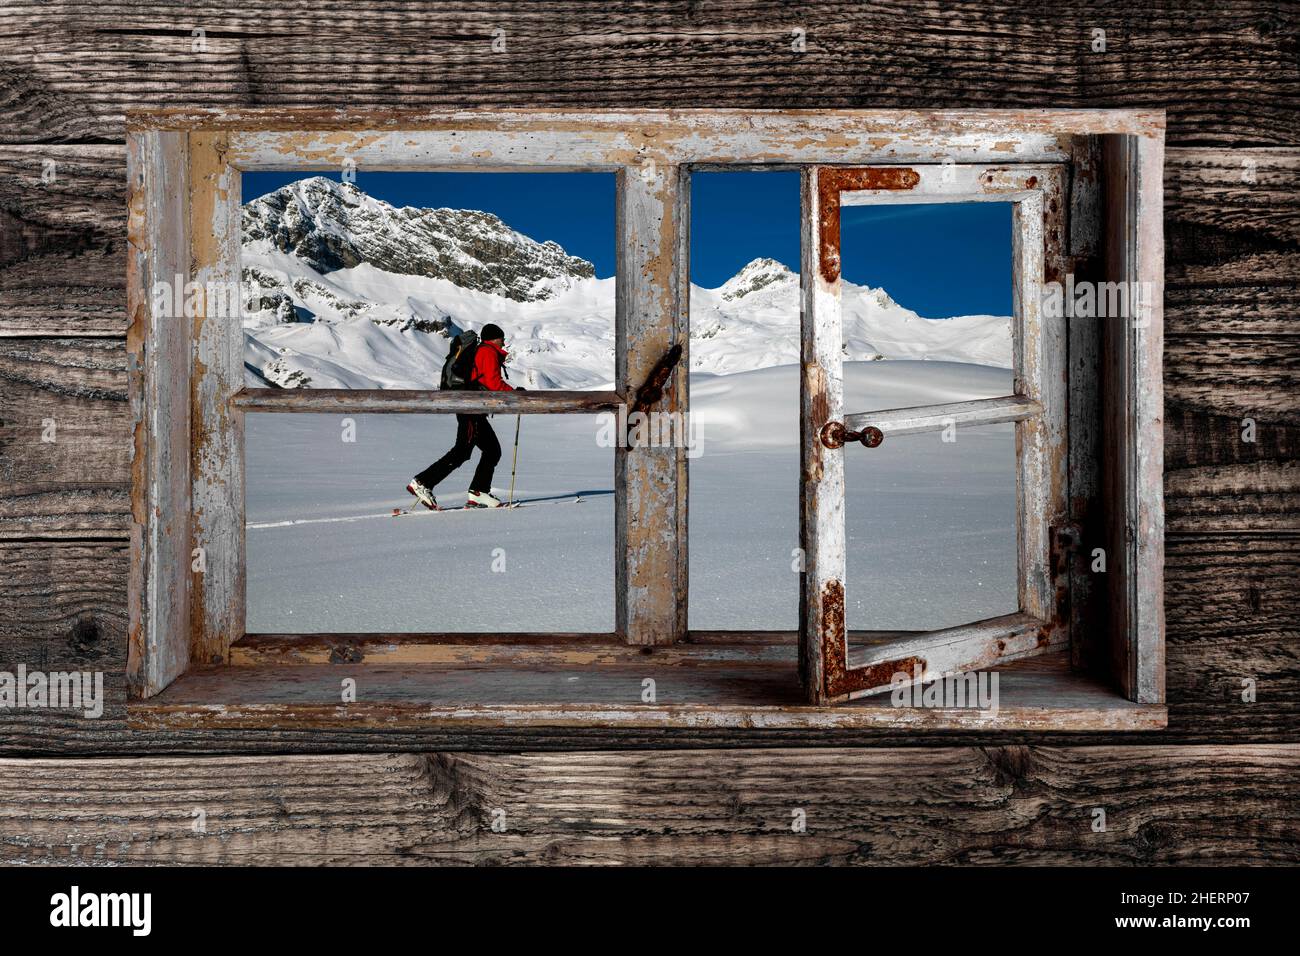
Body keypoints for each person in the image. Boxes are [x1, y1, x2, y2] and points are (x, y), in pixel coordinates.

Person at [407, 323, 523, 510]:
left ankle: (479, 492)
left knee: (492, 450)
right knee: (463, 451)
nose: (504, 342)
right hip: (470, 409)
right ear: (494, 338)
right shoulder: (487, 352)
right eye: (502, 338)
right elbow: (492, 383)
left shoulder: (485, 351)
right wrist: (515, 394)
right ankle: (423, 482)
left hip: (473, 408)